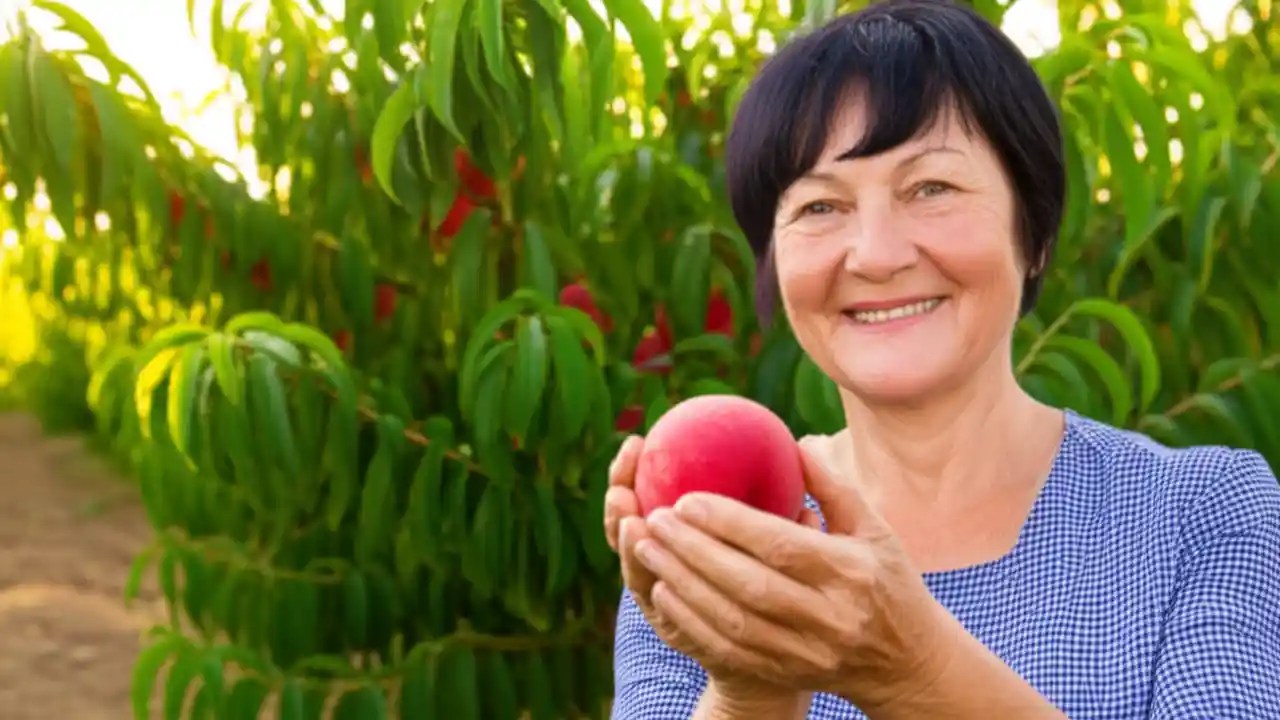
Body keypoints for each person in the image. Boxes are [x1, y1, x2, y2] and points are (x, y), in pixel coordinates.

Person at [602, 1, 1280, 718]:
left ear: (1036, 228)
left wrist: (914, 671)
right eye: (819, 208)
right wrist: (753, 681)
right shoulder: (719, 539)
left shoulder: (1202, 514)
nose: (877, 255)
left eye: (931, 188)